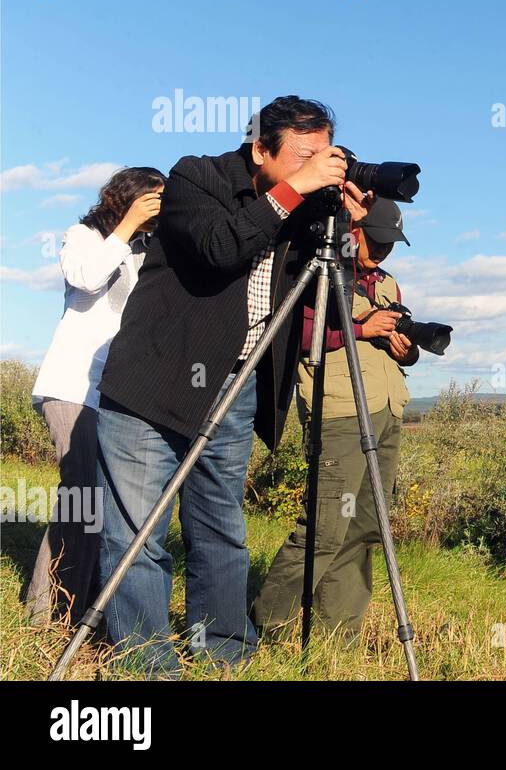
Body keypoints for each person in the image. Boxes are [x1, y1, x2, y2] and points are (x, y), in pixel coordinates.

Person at [93, 95, 372, 676]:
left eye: (327, 153)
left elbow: (326, 307)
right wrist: (295, 192)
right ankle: (148, 666)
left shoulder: (308, 209)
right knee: (140, 533)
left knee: (221, 530)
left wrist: (346, 226)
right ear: (260, 149)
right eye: (304, 155)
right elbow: (222, 248)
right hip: (157, 381)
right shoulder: (195, 177)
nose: (322, 165)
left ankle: (223, 655)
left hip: (237, 389)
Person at [252, 198, 417, 639]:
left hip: (386, 408)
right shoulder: (321, 271)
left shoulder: (387, 284)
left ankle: (335, 635)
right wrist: (363, 328)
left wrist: (407, 348)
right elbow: (296, 332)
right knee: (325, 528)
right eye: (376, 241)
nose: (382, 252)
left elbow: (393, 341)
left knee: (365, 528)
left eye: (391, 244)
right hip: (340, 409)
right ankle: (265, 625)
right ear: (355, 230)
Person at [26, 167, 166, 626]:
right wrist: (126, 227)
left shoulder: (148, 251)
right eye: (150, 200)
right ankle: (48, 612)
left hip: (116, 389)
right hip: (71, 387)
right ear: (122, 198)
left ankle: (87, 608)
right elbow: (86, 279)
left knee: (104, 501)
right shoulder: (83, 236)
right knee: (82, 492)